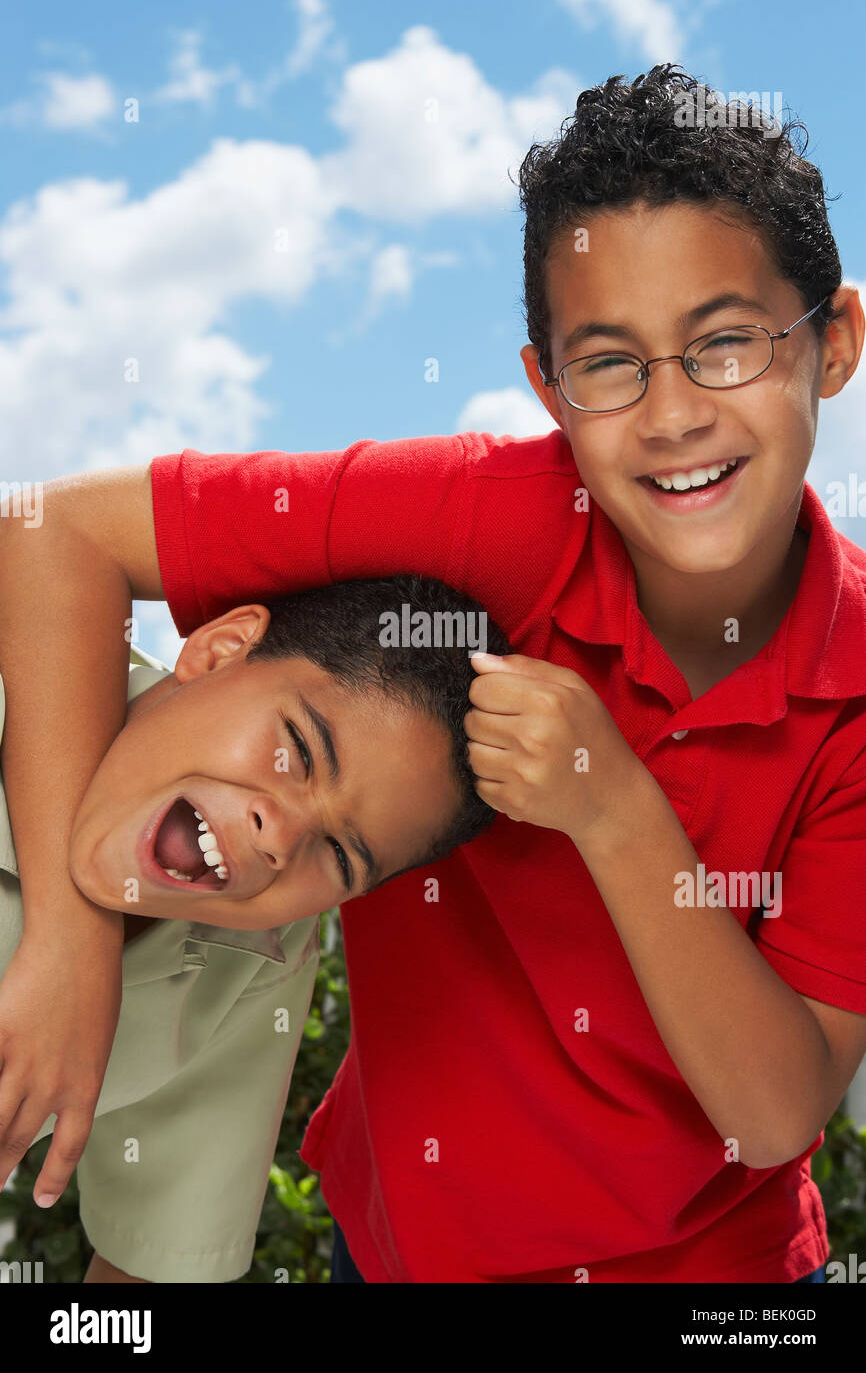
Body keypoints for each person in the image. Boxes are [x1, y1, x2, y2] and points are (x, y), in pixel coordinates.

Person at [1, 62, 865, 1283]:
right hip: (395, 1254)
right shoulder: (484, 517)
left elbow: (775, 1114)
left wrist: (613, 812)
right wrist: (71, 948)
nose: (671, 414)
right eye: (609, 363)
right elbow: (53, 530)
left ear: (831, 342)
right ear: (546, 388)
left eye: (725, 344)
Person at [0, 573, 508, 1281]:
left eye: (339, 854)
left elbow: (154, 1262)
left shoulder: (260, 960)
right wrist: (64, 943)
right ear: (218, 650)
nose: (282, 840)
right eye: (299, 749)